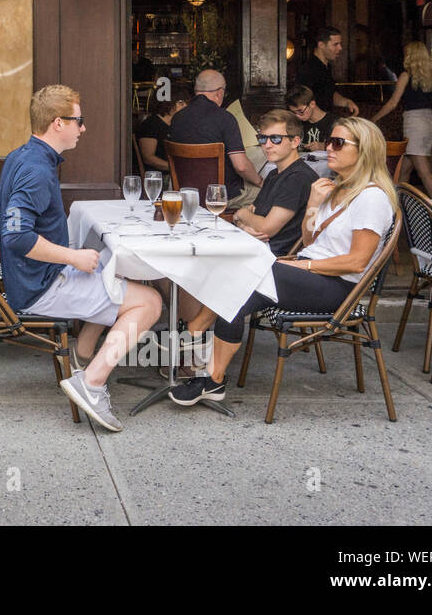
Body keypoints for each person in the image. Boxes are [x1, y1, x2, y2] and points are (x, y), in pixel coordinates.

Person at [172, 117, 398, 406]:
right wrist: (314, 205)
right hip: (309, 274)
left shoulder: (371, 198)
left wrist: (303, 266)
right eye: (329, 140)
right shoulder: (335, 189)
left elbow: (356, 262)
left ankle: (193, 340)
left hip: (338, 288)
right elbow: (310, 241)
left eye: (338, 143)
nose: (329, 147)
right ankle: (211, 375)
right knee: (235, 290)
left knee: (240, 275)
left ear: (364, 151)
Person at [0, 85, 163, 433]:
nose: (83, 128)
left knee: (114, 264)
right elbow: (17, 236)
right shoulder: (37, 170)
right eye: (78, 121)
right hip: (42, 287)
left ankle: (83, 355)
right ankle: (92, 383)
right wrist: (72, 258)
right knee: (151, 303)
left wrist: (47, 261)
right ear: (57, 123)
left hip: (32, 277)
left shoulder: (20, 156)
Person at [168, 69, 263, 208]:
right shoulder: (225, 118)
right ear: (219, 92)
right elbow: (241, 166)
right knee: (269, 193)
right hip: (221, 196)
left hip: (185, 194)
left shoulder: (177, 118)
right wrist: (260, 182)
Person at [232, 110, 317, 256]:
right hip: (255, 246)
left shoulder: (298, 178)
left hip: (275, 258)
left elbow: (266, 228)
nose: (267, 145)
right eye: (263, 138)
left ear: (295, 142)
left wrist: (241, 212)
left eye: (276, 138)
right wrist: (244, 225)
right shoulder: (273, 174)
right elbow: (250, 213)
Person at [371, 41, 432, 198]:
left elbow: (393, 103)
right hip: (429, 124)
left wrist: (375, 118)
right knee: (403, 169)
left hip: (414, 125)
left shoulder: (406, 76)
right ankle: (397, 204)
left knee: (424, 172)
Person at [294, 25, 360, 117]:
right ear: (321, 45)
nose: (340, 48)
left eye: (340, 44)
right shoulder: (308, 69)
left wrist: (346, 102)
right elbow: (302, 103)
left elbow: (329, 94)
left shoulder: (326, 67)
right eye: (335, 44)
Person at [135, 91, 189, 173]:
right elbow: (148, 158)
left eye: (186, 103)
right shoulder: (151, 124)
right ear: (168, 103)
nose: (186, 106)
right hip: (159, 176)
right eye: (181, 103)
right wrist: (176, 168)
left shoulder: (179, 124)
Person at [287, 84, 335, 152]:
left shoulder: (335, 123)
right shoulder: (297, 124)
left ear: (312, 104)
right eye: (294, 113)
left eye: (300, 111)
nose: (297, 116)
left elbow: (347, 148)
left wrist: (324, 146)